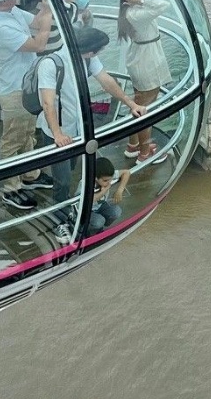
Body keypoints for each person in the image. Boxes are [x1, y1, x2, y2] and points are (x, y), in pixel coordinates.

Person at [35, 23, 145, 243]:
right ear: (89, 51)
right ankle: (59, 222)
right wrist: (57, 134)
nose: (98, 55)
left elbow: (107, 81)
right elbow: (47, 102)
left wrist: (130, 104)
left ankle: (72, 208)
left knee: (71, 171)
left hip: (77, 131)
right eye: (98, 51)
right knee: (62, 180)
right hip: (58, 132)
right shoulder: (51, 64)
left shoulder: (86, 59)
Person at [0, 0, 54, 211]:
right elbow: (39, 44)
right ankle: (11, 189)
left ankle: (30, 175)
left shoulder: (12, 11)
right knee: (12, 139)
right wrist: (48, 13)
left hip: (26, 85)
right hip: (14, 89)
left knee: (27, 134)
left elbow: (36, 23)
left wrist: (45, 10)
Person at [117, 0, 172, 163]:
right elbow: (164, 5)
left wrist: (137, 1)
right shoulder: (137, 13)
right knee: (145, 110)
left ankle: (133, 145)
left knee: (139, 104)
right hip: (147, 63)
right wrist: (140, 1)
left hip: (139, 59)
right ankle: (144, 153)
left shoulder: (127, 11)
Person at [89, 156, 129, 235]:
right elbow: (89, 201)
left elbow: (126, 172)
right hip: (86, 211)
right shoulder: (86, 182)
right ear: (95, 178)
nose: (109, 182)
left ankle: (98, 226)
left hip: (100, 205)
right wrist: (104, 191)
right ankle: (89, 232)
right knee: (99, 221)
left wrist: (120, 190)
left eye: (111, 179)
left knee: (116, 211)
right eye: (105, 180)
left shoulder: (107, 176)